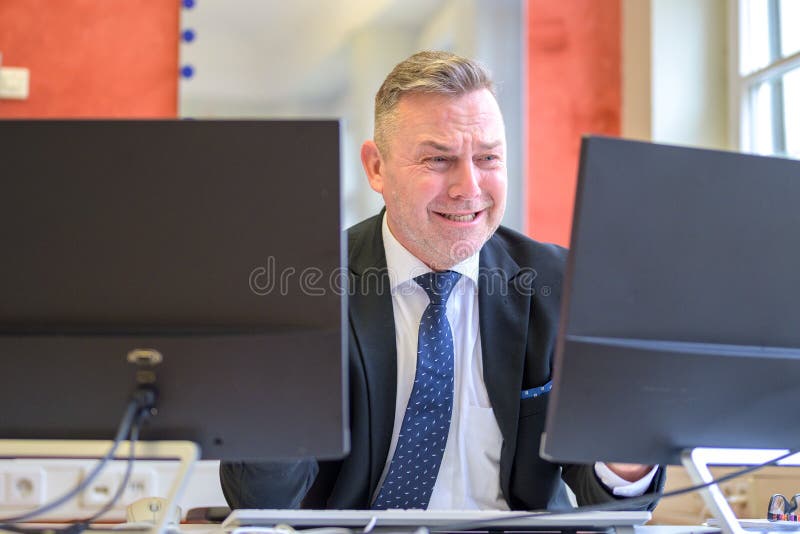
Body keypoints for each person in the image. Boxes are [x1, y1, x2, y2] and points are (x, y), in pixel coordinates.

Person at [220, 50, 665, 511]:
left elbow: (612, 503)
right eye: (438, 160)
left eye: (488, 158)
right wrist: (267, 398)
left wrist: (626, 455)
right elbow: (259, 501)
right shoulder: (300, 288)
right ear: (376, 168)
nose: (468, 187)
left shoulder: (561, 283)